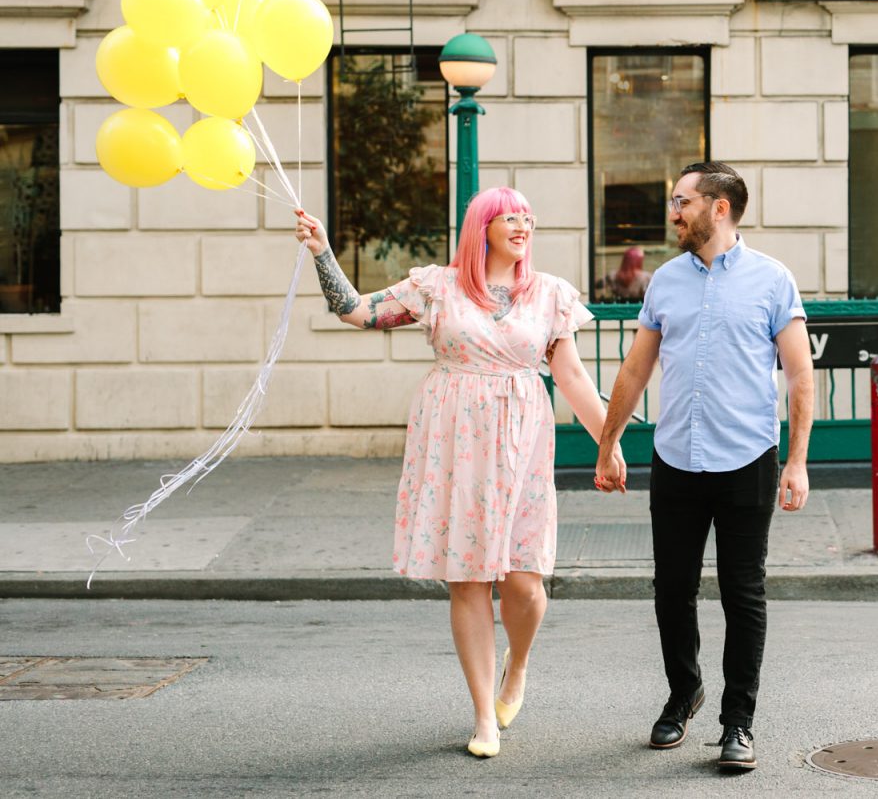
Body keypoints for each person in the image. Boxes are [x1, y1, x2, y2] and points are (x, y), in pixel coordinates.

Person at [294, 187, 609, 759]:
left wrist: (608, 443)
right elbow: (357, 311)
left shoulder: (550, 294)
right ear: (481, 227)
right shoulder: (437, 287)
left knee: (525, 583)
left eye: (528, 217)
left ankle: (518, 665)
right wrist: (322, 252)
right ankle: (484, 715)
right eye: (510, 217)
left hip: (522, 442)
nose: (522, 225)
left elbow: (572, 377)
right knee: (468, 577)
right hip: (455, 442)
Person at [593, 162, 814, 773]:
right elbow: (636, 369)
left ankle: (737, 721)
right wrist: (609, 442)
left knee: (743, 594)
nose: (673, 213)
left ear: (719, 208)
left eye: (682, 201)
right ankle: (683, 691)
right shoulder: (665, 281)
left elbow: (799, 374)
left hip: (747, 459)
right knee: (672, 590)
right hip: (676, 459)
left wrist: (797, 461)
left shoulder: (773, 280)